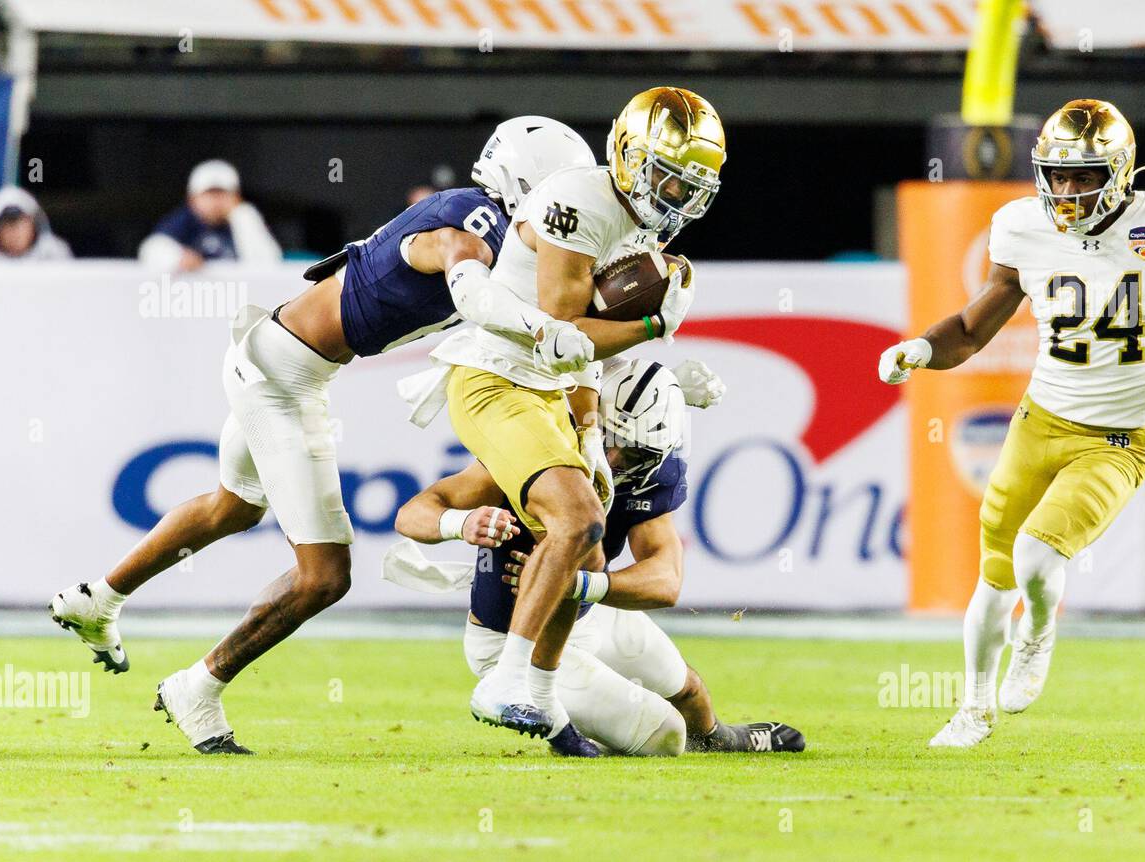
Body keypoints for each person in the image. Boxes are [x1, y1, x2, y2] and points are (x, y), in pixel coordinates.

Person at [49, 117, 595, 754]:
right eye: (562, 192)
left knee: (232, 507)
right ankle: (197, 687)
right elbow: (473, 291)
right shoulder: (473, 224)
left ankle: (99, 599)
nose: (568, 210)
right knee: (325, 575)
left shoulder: (501, 230)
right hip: (280, 379)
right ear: (527, 183)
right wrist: (543, 329)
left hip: (278, 360)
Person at [878, 99, 1145, 748]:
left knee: (1037, 554)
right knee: (992, 576)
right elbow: (974, 327)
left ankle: (1036, 630)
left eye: (1084, 176)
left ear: (1120, 173)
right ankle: (972, 710)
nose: (1066, 191)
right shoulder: (1021, 227)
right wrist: (921, 349)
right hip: (1038, 422)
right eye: (1056, 176)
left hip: (1117, 440)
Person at [416, 87, 726, 755]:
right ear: (628, 155)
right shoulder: (579, 200)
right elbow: (562, 330)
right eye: (666, 176)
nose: (673, 196)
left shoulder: (638, 225)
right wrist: (651, 323)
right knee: (579, 518)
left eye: (687, 186)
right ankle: (509, 677)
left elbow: (578, 365)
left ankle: (537, 690)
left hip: (548, 390)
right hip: (497, 377)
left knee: (583, 540)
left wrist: (589, 427)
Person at [388, 358, 803, 756]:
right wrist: (459, 523)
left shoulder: (652, 478)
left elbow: (666, 581)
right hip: (510, 639)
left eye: (635, 453)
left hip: (587, 614)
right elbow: (412, 514)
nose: (617, 462)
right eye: (611, 441)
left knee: (689, 692)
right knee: (665, 736)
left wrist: (576, 584)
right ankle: (568, 729)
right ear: (589, 423)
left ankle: (719, 739)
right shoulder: (541, 456)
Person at [137, 160, 282, 272]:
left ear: (236, 198)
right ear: (192, 199)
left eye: (223, 194)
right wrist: (177, 258)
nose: (216, 201)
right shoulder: (184, 220)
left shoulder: (244, 218)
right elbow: (151, 249)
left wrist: (242, 217)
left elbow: (269, 263)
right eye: (209, 194)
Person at [0, 186, 72, 260]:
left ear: (33, 225)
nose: (15, 233)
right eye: (8, 226)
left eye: (20, 225)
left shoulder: (54, 255)